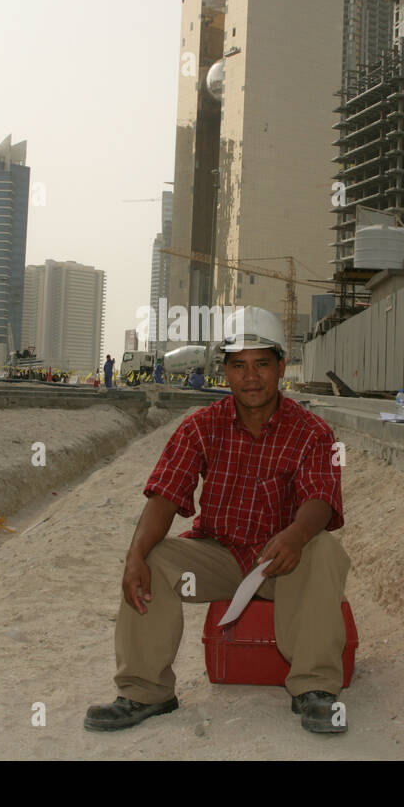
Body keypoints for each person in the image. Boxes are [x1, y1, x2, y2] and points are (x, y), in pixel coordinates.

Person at [85, 306, 350, 735]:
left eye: (262, 364)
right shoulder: (200, 428)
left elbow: (320, 499)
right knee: (154, 558)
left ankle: (315, 690)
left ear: (281, 367)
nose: (251, 377)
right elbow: (164, 497)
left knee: (324, 549)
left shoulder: (312, 432)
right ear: (224, 370)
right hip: (219, 555)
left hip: (283, 560)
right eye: (239, 365)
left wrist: (297, 535)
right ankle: (145, 691)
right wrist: (135, 554)